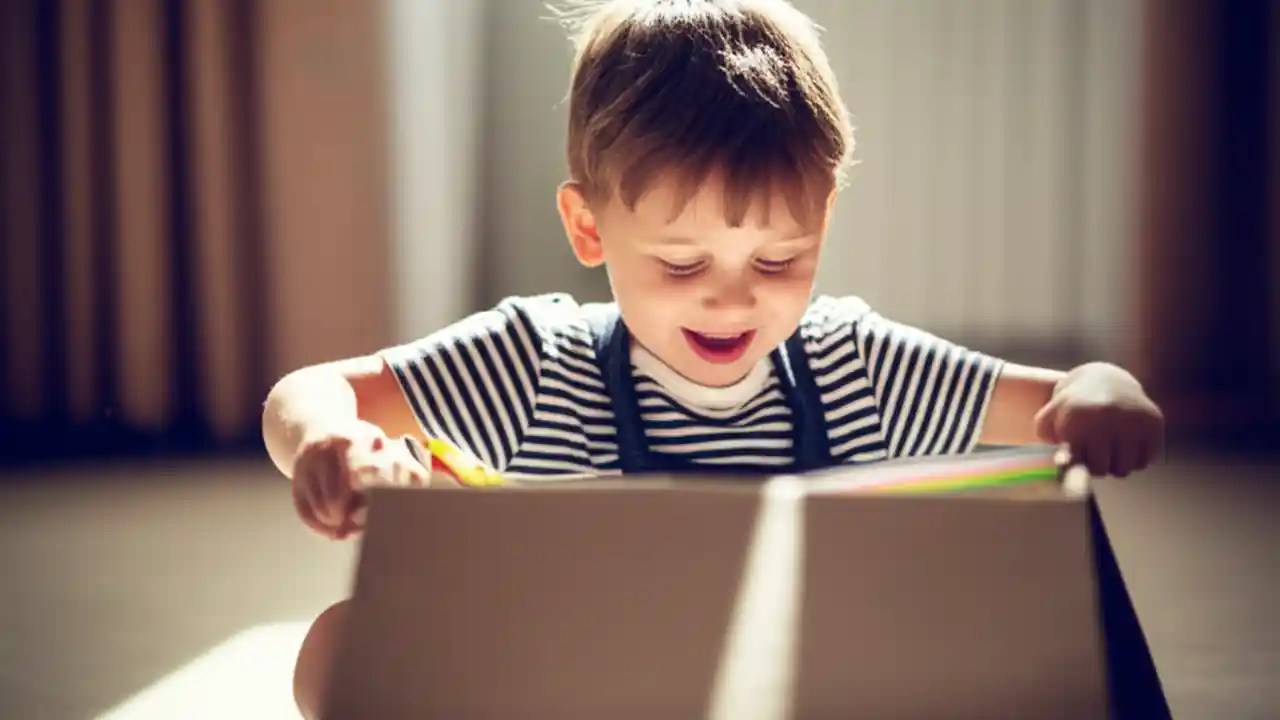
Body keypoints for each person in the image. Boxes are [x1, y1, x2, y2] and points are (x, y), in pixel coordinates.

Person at [261, 1, 1165, 716]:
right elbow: (311, 391)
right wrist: (329, 441)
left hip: (801, 692)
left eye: (778, 261)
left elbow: (1054, 403)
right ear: (588, 227)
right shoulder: (537, 361)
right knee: (338, 647)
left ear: (823, 220)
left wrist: (1104, 391)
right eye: (682, 264)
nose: (732, 300)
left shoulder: (852, 362)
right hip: (581, 695)